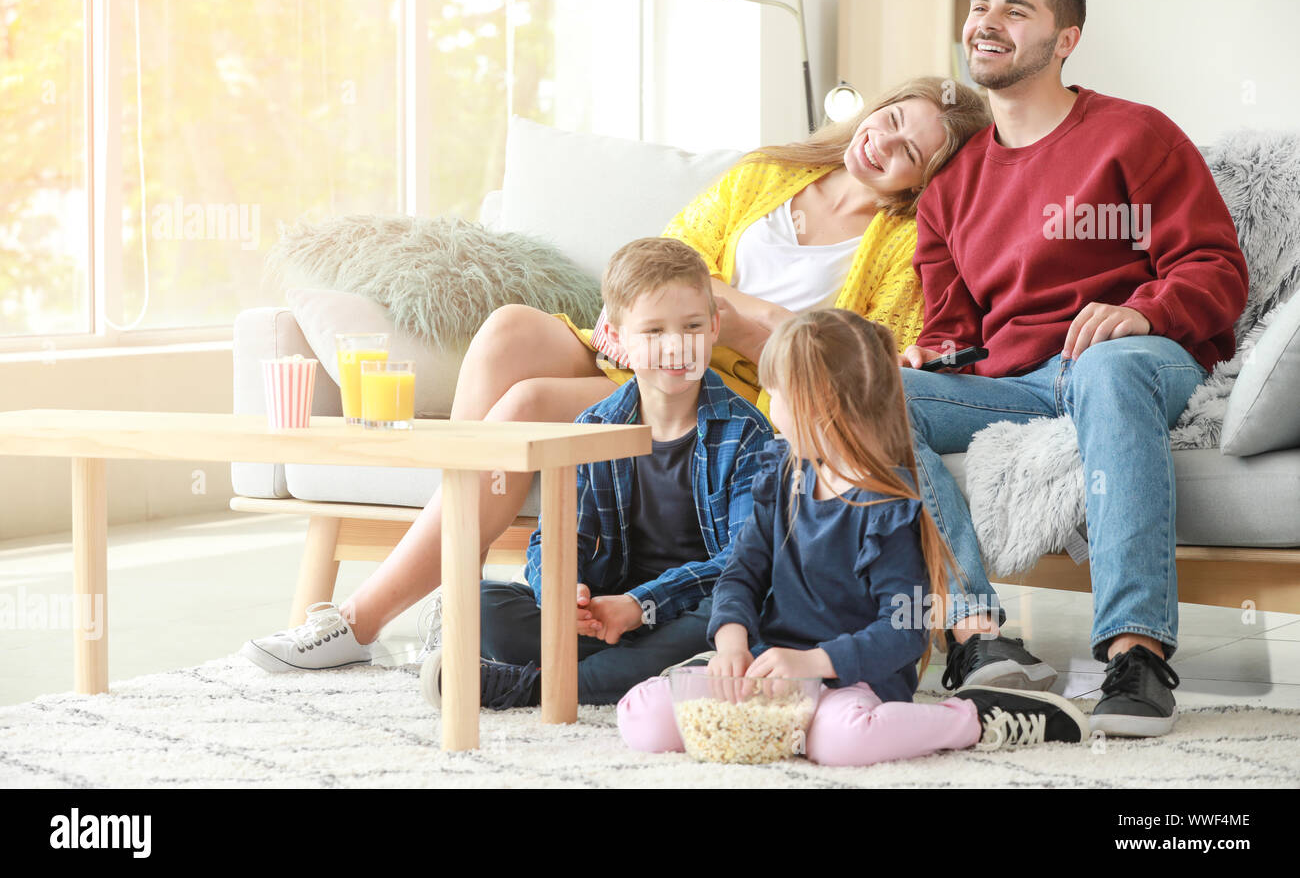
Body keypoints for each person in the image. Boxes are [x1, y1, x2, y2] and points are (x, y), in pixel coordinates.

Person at [240, 77, 989, 671]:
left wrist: (726, 314)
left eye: (910, 149)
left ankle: (361, 618)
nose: (883, 141)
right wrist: (684, 314)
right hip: (639, 343)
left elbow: (847, 355)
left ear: (924, 181)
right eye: (890, 118)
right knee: (508, 331)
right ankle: (454, 587)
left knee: (529, 402)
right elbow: (665, 257)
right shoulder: (770, 175)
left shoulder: (902, 244)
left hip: (705, 384)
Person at [896, 0, 1249, 737]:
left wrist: (1144, 311)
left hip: (1133, 361)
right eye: (980, 5)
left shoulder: (1134, 135)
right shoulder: (948, 193)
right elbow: (952, 329)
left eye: (1015, 10)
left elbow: (1219, 268)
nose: (988, 22)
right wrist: (927, 356)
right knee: (874, 393)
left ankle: (1137, 654)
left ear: (1065, 40)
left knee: (1108, 370)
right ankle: (976, 638)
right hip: (1016, 385)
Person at [617, 310, 1088, 764]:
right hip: (773, 666)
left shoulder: (888, 508)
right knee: (643, 716)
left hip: (854, 678)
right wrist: (732, 642)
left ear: (819, 405)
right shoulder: (779, 476)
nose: (768, 404)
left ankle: (977, 719)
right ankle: (785, 721)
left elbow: (903, 632)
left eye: (775, 393)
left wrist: (814, 665)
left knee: (842, 742)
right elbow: (742, 573)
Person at [413, 238, 772, 708]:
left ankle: (536, 686)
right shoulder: (595, 427)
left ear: (714, 328)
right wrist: (562, 593)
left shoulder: (746, 433)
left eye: (692, 326)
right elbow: (556, 537)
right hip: (609, 611)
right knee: (479, 603)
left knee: (730, 628)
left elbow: (742, 562)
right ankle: (629, 674)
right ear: (619, 338)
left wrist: (642, 606)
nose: (676, 345)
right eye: (654, 331)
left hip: (700, 609)